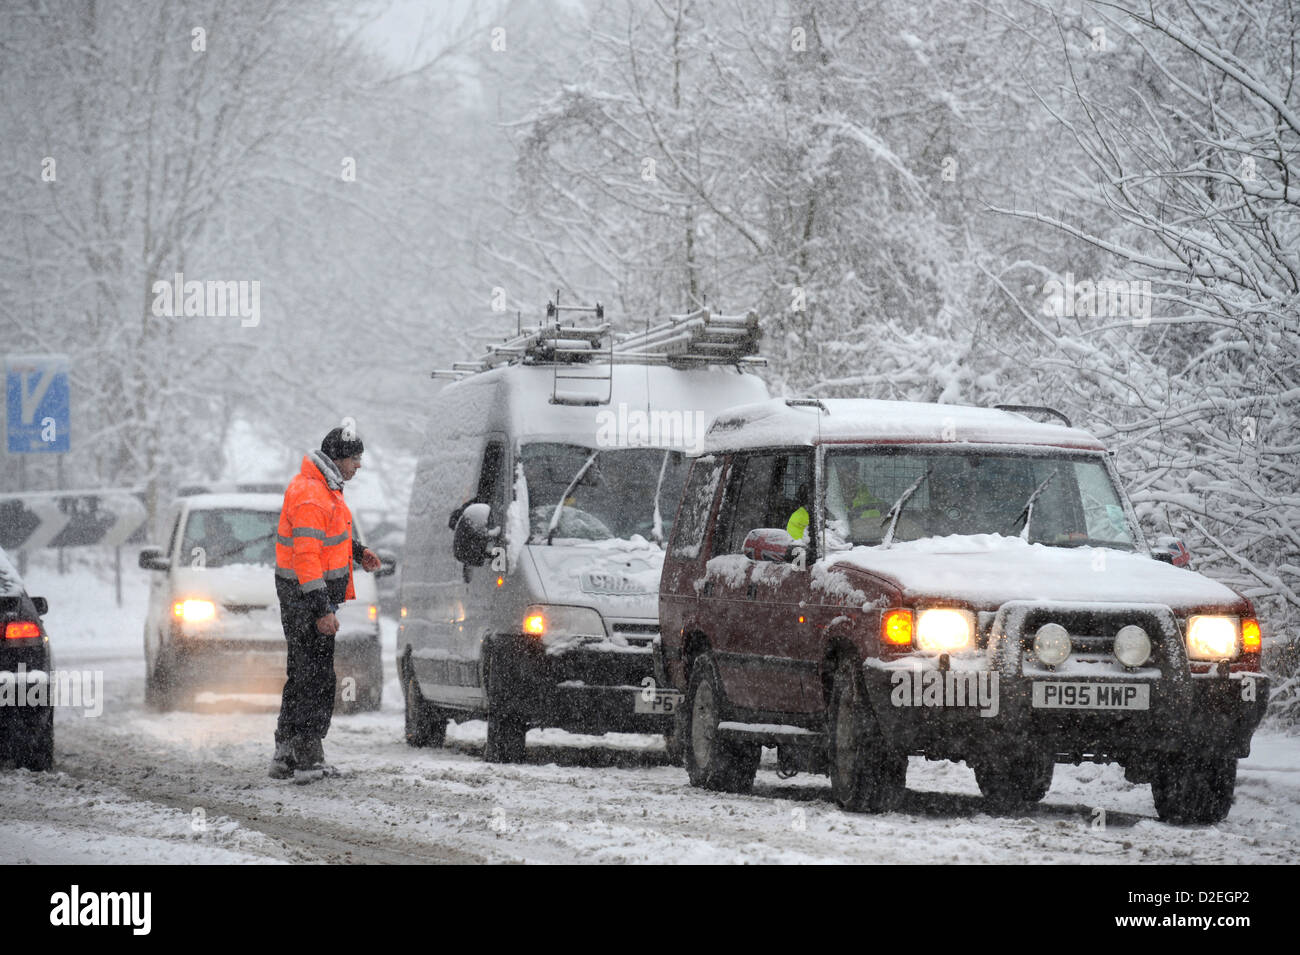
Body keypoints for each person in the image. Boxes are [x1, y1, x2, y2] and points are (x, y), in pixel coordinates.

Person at [268, 427, 381, 780]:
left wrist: (358, 552)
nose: (358, 465)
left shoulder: (323, 489)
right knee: (314, 677)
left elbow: (329, 539)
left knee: (304, 673)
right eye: (355, 458)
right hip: (306, 598)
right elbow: (306, 558)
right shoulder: (312, 495)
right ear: (337, 458)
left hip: (305, 596)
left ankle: (286, 753)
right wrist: (321, 610)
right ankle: (307, 754)